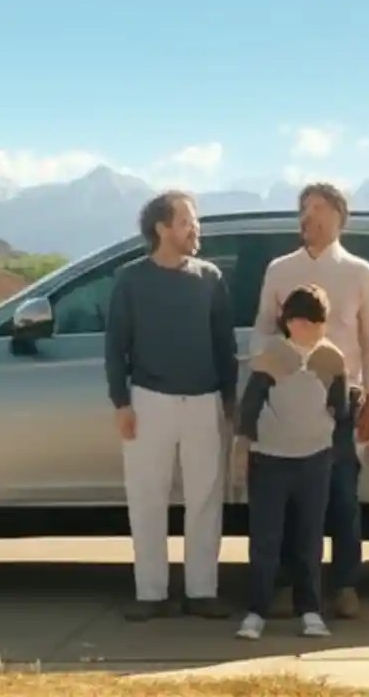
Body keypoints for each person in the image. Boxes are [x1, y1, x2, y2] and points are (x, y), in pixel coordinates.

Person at [251, 182, 369, 619]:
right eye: (303, 209)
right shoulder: (279, 269)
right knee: (292, 495)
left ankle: (345, 584)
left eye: (316, 208)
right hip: (289, 398)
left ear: (337, 215)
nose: (307, 217)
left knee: (342, 492)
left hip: (342, 396)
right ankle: (290, 586)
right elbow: (262, 330)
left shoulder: (360, 272)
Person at [104, 190, 237, 622]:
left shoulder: (210, 278)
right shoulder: (131, 279)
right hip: (149, 401)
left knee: (205, 499)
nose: (195, 229)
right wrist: (121, 402)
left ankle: (202, 591)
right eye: (187, 221)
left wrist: (230, 401)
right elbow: (115, 347)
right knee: (147, 498)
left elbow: (224, 345)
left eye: (194, 221)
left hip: (204, 402)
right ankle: (151, 594)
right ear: (162, 228)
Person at [232, 284, 350, 640]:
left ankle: (311, 611)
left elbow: (341, 409)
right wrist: (244, 450)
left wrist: (333, 447)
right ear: (287, 322)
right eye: (297, 320)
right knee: (266, 538)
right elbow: (249, 407)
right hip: (270, 460)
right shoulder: (271, 356)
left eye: (313, 321)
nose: (304, 328)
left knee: (310, 539)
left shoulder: (332, 359)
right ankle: (256, 611)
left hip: (315, 460)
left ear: (323, 324)